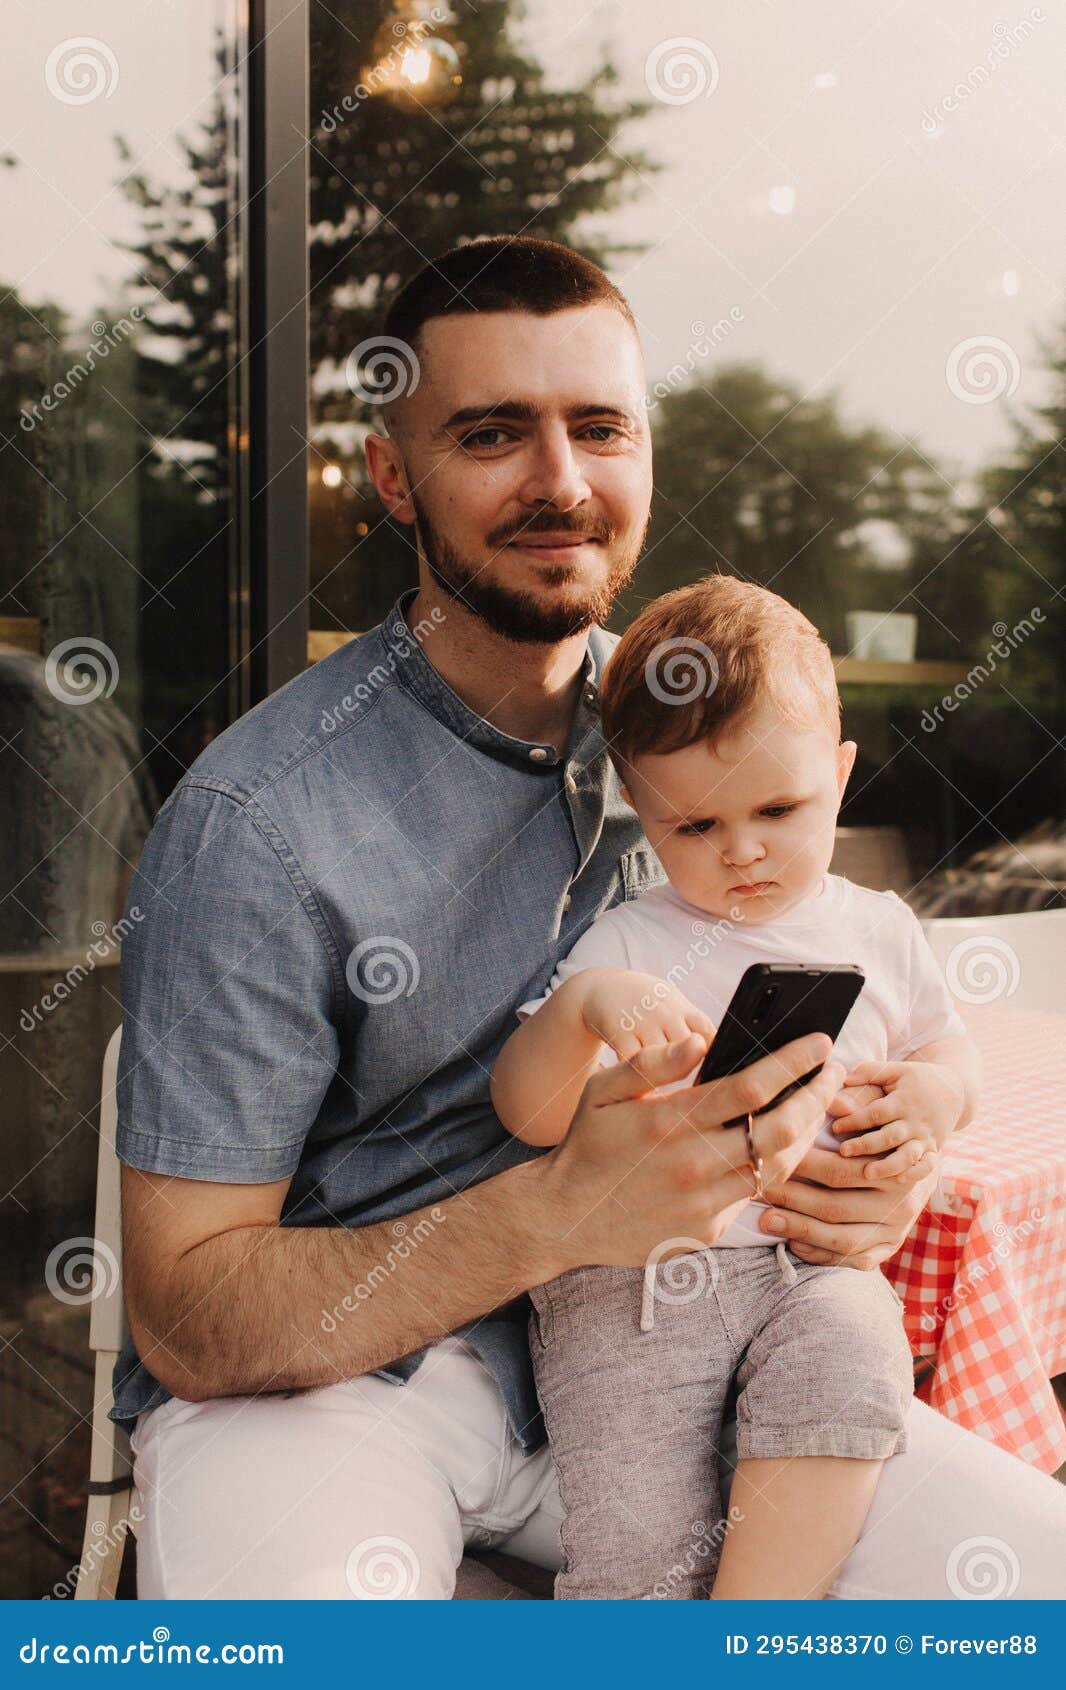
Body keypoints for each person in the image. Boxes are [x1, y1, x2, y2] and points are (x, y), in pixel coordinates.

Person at [113, 236, 1066, 1599]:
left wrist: (875, 1178)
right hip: (332, 1389)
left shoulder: (692, 727)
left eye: (601, 428)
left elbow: (860, 1024)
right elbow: (192, 1319)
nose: (560, 480)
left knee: (1029, 1587)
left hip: (696, 1344)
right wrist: (557, 1214)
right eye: (492, 432)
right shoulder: (258, 821)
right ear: (393, 476)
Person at [492, 575, 981, 1599]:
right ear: (639, 809)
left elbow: (946, 1050)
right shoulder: (629, 941)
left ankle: (759, 1623)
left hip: (810, 1266)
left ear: (839, 775)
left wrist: (934, 1102)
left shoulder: (881, 927)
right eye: (694, 827)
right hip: (631, 1282)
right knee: (636, 1538)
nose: (742, 850)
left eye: (777, 809)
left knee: (853, 1372)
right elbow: (528, 1116)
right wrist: (584, 1009)